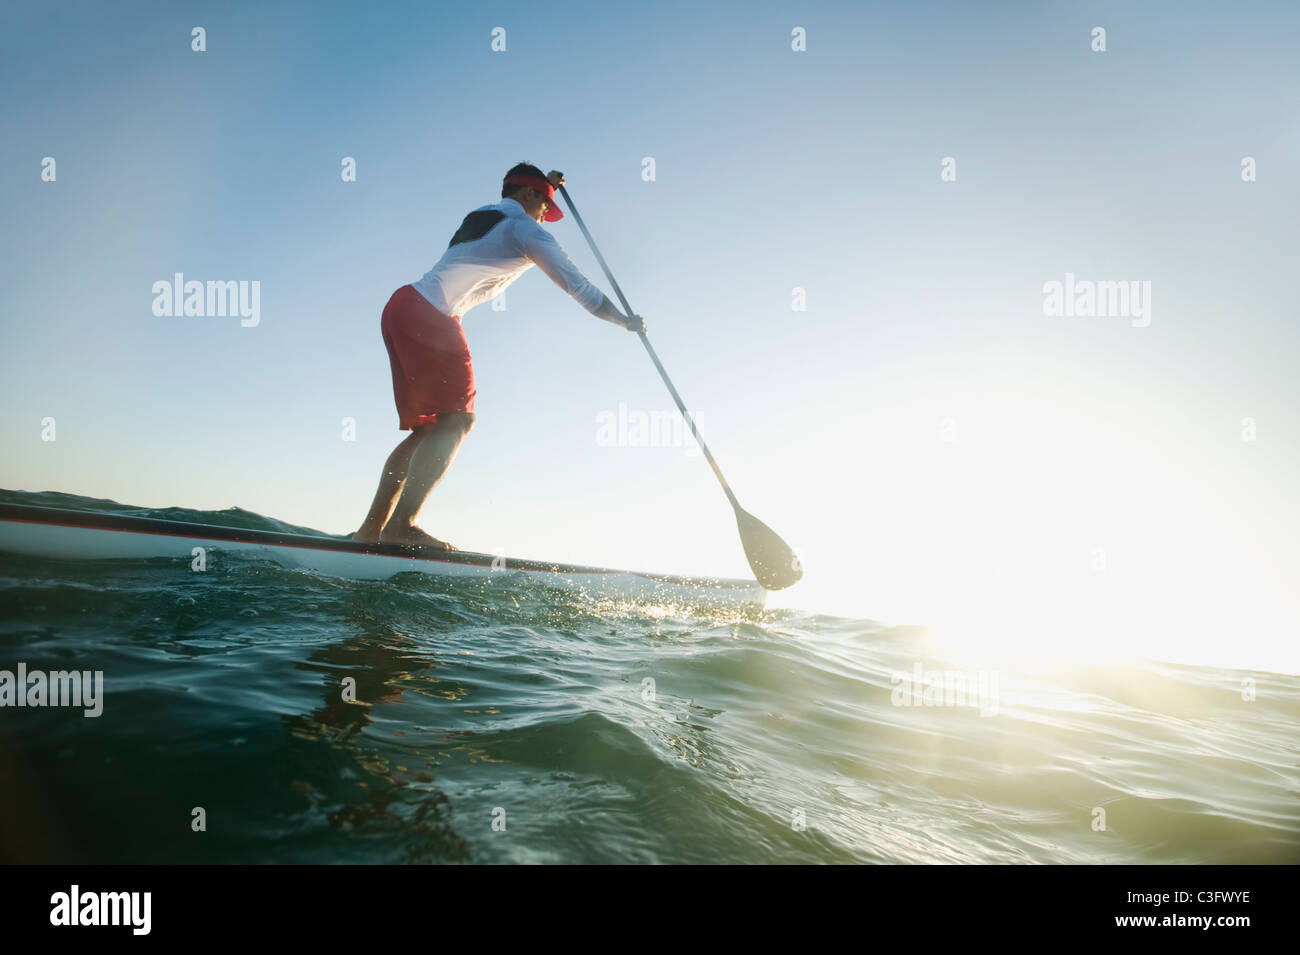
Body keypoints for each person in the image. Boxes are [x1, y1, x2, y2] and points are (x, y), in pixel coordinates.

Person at [353, 163, 644, 549]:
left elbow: (516, 208)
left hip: (400, 306)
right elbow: (578, 287)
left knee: (430, 430)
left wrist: (547, 184)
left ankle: (369, 533)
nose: (546, 217)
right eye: (545, 207)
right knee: (458, 420)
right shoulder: (525, 229)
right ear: (528, 196)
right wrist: (624, 321)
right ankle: (400, 527)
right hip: (432, 316)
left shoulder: (481, 215)